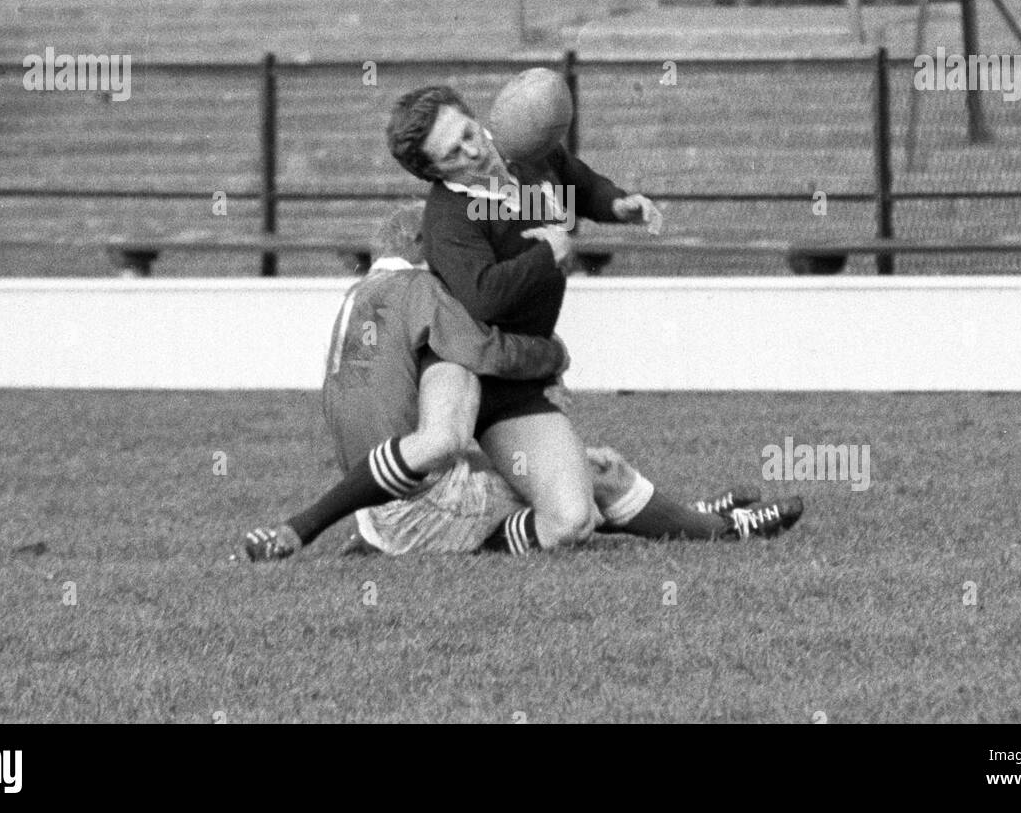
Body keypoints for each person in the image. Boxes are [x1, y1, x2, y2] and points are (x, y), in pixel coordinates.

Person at [244, 205, 796, 561]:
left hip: (377, 500)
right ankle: (722, 530)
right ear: (422, 241)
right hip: (418, 504)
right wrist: (551, 353)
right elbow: (492, 353)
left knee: (557, 475)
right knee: (596, 471)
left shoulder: (358, 296)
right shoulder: (425, 292)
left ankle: (692, 513)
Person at [385, 86, 803, 554]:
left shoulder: (521, 149)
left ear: (473, 118)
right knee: (571, 517)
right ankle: (719, 528)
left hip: (530, 364)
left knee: (593, 478)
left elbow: (573, 180)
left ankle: (710, 524)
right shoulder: (449, 219)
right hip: (489, 385)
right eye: (452, 155)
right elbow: (484, 299)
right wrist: (548, 252)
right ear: (432, 171)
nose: (472, 151)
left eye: (468, 134)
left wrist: (615, 204)